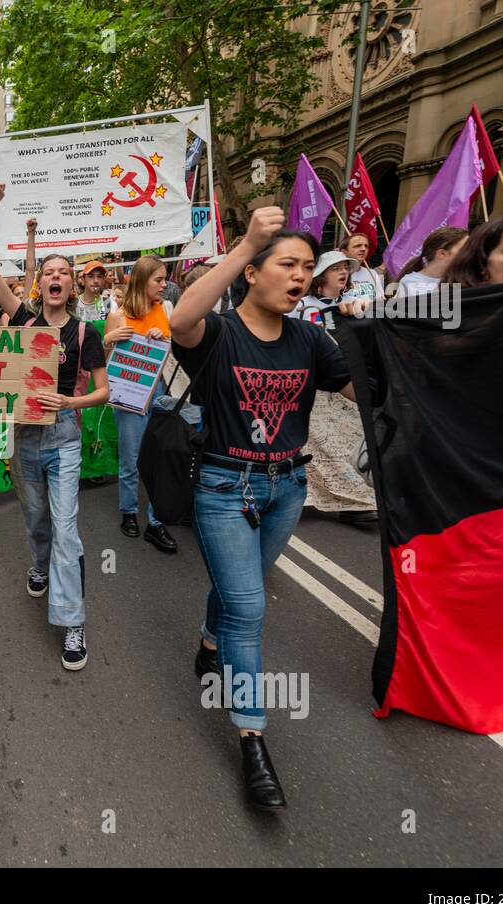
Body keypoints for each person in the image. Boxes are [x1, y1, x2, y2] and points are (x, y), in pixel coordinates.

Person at [170, 207, 357, 811]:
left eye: (309, 267)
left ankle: (206, 641)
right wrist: (247, 239)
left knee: (234, 591)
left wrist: (364, 333)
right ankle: (253, 738)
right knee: (248, 608)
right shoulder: (219, 335)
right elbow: (181, 316)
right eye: (287, 264)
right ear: (251, 272)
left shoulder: (310, 338)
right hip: (225, 487)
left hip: (286, 490)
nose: (302, 276)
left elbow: (364, 386)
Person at [0, 183, 109, 671]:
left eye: (63, 273)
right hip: (24, 439)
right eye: (48, 272)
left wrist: (69, 399)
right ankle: (38, 564)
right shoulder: (24, 320)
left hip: (65, 439)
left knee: (68, 530)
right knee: (37, 523)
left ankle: (72, 621)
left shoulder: (85, 332)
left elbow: (104, 391)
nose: (55, 277)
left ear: (72, 287)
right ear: (41, 285)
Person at [285, 251, 378, 522]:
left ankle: (354, 502)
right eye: (335, 268)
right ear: (321, 275)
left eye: (345, 268)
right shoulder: (301, 305)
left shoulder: (356, 304)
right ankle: (302, 493)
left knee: (346, 443)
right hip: (312, 385)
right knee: (312, 444)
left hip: (344, 383)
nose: (343, 272)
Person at [102, 255, 179, 553]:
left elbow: (172, 357)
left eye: (165, 279)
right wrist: (109, 340)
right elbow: (105, 365)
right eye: (158, 280)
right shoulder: (118, 315)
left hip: (158, 391)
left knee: (160, 460)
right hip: (128, 393)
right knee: (131, 459)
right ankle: (128, 511)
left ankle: (156, 522)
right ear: (141, 280)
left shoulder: (167, 309)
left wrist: (165, 340)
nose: (164, 285)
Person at [392, 226, 469, 296]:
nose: (470, 253)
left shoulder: (464, 278)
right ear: (442, 253)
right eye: (465, 249)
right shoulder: (411, 284)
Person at [338, 231, 384, 300]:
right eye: (357, 246)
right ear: (344, 252)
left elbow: (380, 301)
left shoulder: (372, 273)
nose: (363, 249)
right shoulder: (336, 274)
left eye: (366, 246)